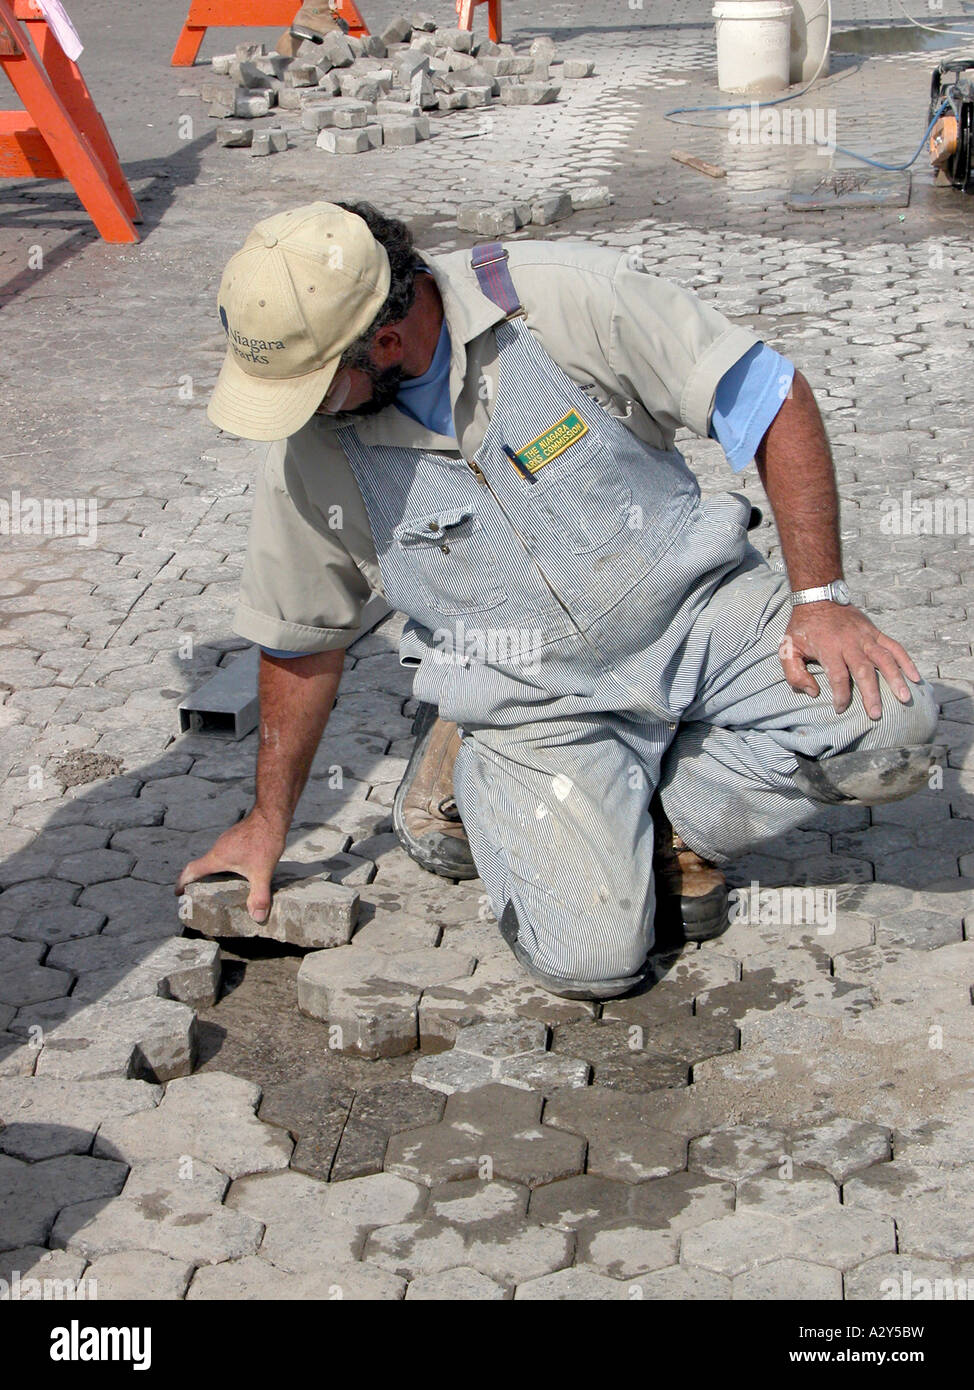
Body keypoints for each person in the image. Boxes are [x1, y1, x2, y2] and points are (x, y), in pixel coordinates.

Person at [177, 200, 939, 1000]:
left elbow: (772, 397)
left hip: (698, 622)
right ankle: (474, 767)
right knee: (592, 960)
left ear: (386, 342)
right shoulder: (310, 455)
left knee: (892, 728)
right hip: (530, 698)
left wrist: (821, 599)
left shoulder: (559, 303)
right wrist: (267, 824)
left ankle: (665, 822)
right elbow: (302, 641)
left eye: (314, 386)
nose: (299, 413)